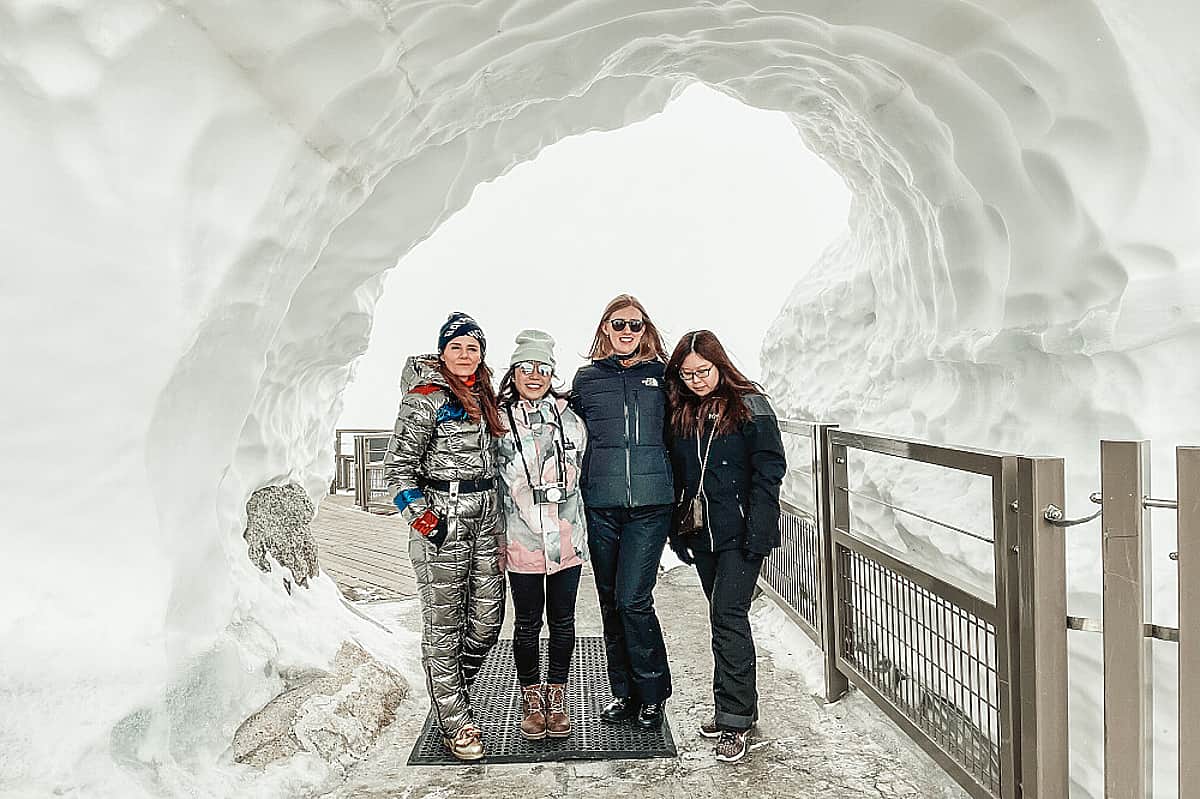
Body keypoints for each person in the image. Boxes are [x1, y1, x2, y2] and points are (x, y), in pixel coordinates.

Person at [383, 312, 507, 761]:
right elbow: (395, 470)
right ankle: (456, 721)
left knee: (488, 622)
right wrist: (426, 520)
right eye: (456, 346)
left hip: (487, 520)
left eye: (473, 347)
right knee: (444, 627)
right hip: (443, 520)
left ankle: (456, 689)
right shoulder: (424, 398)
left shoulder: (484, 395)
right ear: (442, 351)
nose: (464, 354)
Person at [664, 330, 786, 764]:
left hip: (741, 534)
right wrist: (679, 534)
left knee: (728, 615)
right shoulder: (683, 412)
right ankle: (735, 707)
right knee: (721, 618)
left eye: (704, 371)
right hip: (703, 534)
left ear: (720, 365)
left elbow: (770, 470)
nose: (696, 380)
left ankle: (735, 720)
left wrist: (759, 532)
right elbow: (681, 478)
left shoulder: (751, 406)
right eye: (687, 373)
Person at [571, 293, 674, 730]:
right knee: (611, 602)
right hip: (602, 505)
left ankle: (652, 694)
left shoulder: (664, 377)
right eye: (618, 324)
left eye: (635, 325)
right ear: (604, 330)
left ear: (646, 329)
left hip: (651, 506)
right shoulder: (586, 378)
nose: (626, 332)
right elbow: (565, 431)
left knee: (634, 599)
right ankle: (623, 693)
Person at [495, 330, 589, 740]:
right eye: (525, 367)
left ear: (553, 373)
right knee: (528, 622)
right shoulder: (497, 421)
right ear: (513, 373)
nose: (534, 375)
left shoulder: (571, 420)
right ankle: (532, 697)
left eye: (542, 368)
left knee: (564, 621)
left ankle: (557, 693)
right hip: (522, 539)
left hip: (566, 538)